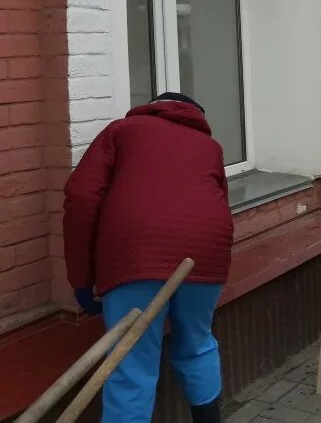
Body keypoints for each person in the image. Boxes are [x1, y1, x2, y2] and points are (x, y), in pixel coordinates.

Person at [63, 93, 233, 423]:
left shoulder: (121, 131)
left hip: (135, 255)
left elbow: (82, 196)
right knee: (197, 342)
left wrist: (81, 279)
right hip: (205, 252)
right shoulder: (209, 146)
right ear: (197, 115)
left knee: (131, 363)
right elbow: (218, 203)